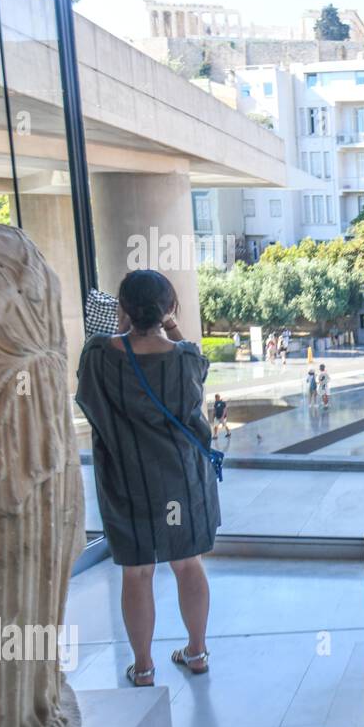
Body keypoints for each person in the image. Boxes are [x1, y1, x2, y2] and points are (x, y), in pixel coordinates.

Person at [75, 269, 220, 686]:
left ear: (122, 308)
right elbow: (196, 376)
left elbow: (86, 398)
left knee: (136, 572)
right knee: (187, 564)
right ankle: (197, 651)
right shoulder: (185, 358)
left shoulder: (99, 356)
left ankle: (143, 666)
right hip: (179, 484)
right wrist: (170, 323)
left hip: (125, 482)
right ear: (169, 308)